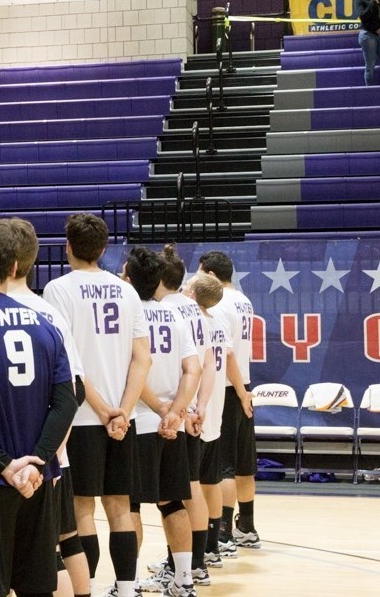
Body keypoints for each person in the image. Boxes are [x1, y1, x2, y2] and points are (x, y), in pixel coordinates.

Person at [0, 219, 78, 597]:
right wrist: (36, 461)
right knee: (37, 586)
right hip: (37, 483)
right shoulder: (44, 324)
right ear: (14, 268)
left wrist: (5, 465)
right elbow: (67, 400)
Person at [42, 214, 151, 597]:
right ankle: (127, 588)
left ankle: (85, 590)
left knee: (82, 509)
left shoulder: (57, 289)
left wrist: (104, 411)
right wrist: (123, 410)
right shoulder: (127, 291)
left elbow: (68, 364)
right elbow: (142, 358)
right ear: (104, 250)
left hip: (84, 417)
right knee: (120, 507)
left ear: (67, 246)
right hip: (125, 418)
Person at [3, 217, 93, 597]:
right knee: (55, 548)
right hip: (49, 458)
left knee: (14, 556)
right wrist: (50, 455)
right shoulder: (48, 313)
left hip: (1, 462)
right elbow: (75, 391)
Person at [120, 247, 201, 597]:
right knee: (173, 502)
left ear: (130, 279)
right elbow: (193, 369)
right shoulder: (175, 316)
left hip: (140, 420)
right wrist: (176, 412)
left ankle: (130, 585)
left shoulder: (126, 318)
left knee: (131, 505)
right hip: (171, 424)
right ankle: (184, 581)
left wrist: (159, 410)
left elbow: (133, 373)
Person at [146, 246, 216, 589]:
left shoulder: (162, 309)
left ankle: (182, 568)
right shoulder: (195, 307)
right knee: (189, 489)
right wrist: (199, 405)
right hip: (190, 405)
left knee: (177, 494)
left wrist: (177, 410)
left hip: (168, 412)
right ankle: (192, 565)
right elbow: (206, 362)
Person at [196, 251, 260, 554]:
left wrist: (238, 391)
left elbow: (228, 353)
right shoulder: (244, 300)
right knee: (244, 464)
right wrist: (245, 391)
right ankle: (246, 525)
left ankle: (222, 531)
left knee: (224, 467)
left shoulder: (219, 303)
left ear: (209, 275)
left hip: (226, 387)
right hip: (242, 385)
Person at [180, 274, 229, 571]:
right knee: (211, 482)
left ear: (193, 294)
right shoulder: (216, 322)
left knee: (191, 488)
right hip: (212, 410)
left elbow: (198, 367)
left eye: (188, 285)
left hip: (196, 411)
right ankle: (210, 548)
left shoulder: (192, 319)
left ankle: (191, 558)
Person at [358, 0, 380, 85]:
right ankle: (369, 92)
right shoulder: (360, 0)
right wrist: (372, 3)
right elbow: (363, 17)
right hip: (368, 34)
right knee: (370, 66)